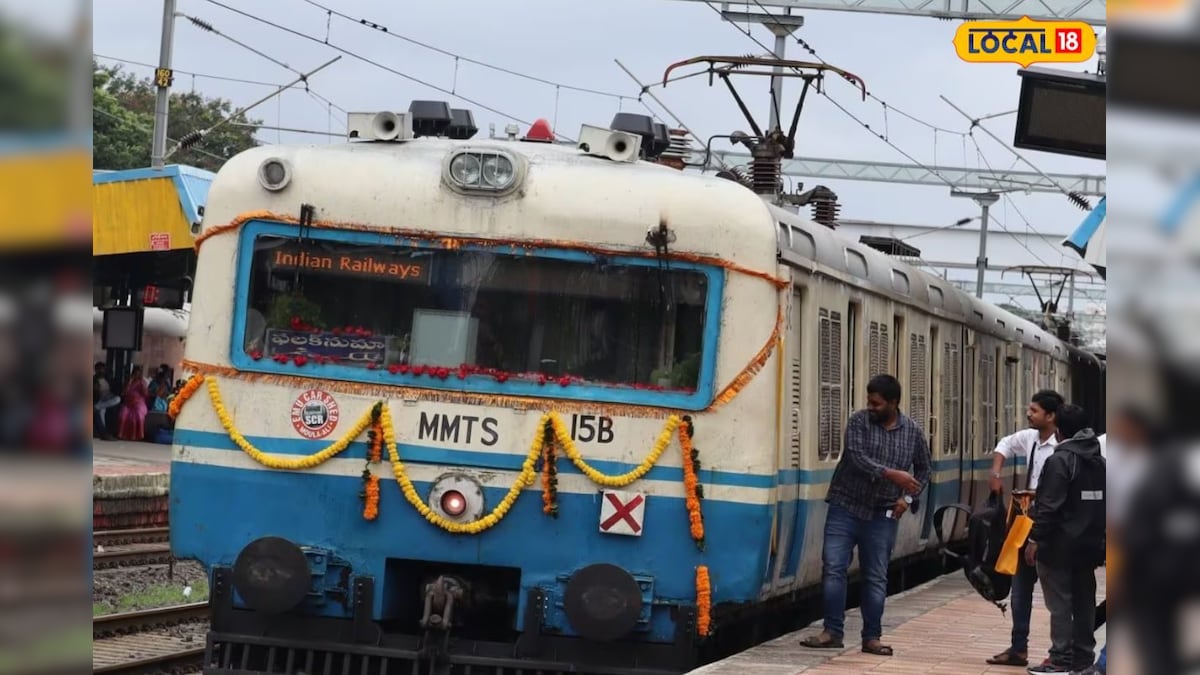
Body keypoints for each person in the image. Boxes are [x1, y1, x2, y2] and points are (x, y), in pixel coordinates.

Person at [800, 374, 931, 657]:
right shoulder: (859, 422)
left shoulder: (913, 432)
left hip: (883, 513)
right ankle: (832, 631)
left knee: (876, 576)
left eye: (876, 403)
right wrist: (892, 474)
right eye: (869, 402)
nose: (870, 407)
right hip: (845, 506)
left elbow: (923, 469)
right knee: (834, 567)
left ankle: (872, 637)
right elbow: (857, 457)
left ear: (893, 403)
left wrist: (907, 498)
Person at [985, 389, 1065, 669]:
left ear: (1051, 415)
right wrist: (995, 472)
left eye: (1034, 410)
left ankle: (1061, 653)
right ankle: (1019, 648)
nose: (1028, 414)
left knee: (1057, 593)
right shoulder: (1030, 439)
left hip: (1051, 525)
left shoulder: (1063, 445)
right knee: (1020, 590)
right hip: (1025, 522)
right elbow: (1005, 444)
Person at [1024, 404, 1106, 674]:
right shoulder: (1099, 461)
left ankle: (1060, 659)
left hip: (1058, 547)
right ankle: (1083, 657)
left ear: (1059, 431)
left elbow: (1048, 507)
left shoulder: (1060, 460)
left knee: (1060, 604)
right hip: (1089, 547)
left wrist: (1034, 540)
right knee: (1084, 603)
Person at [116, 365, 149, 441]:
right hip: (128, 404)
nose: (136, 375)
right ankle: (122, 435)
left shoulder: (142, 382)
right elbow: (124, 392)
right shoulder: (128, 381)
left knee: (138, 415)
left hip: (139, 403)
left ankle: (137, 436)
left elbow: (146, 394)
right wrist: (130, 382)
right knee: (123, 415)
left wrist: (142, 385)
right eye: (135, 373)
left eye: (138, 373)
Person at [93, 362, 120, 441]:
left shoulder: (108, 378)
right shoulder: (94, 379)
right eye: (99, 369)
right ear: (96, 370)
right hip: (100, 399)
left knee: (117, 399)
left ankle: (96, 407)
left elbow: (116, 389)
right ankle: (104, 434)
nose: (101, 371)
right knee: (101, 412)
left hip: (109, 398)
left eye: (102, 369)